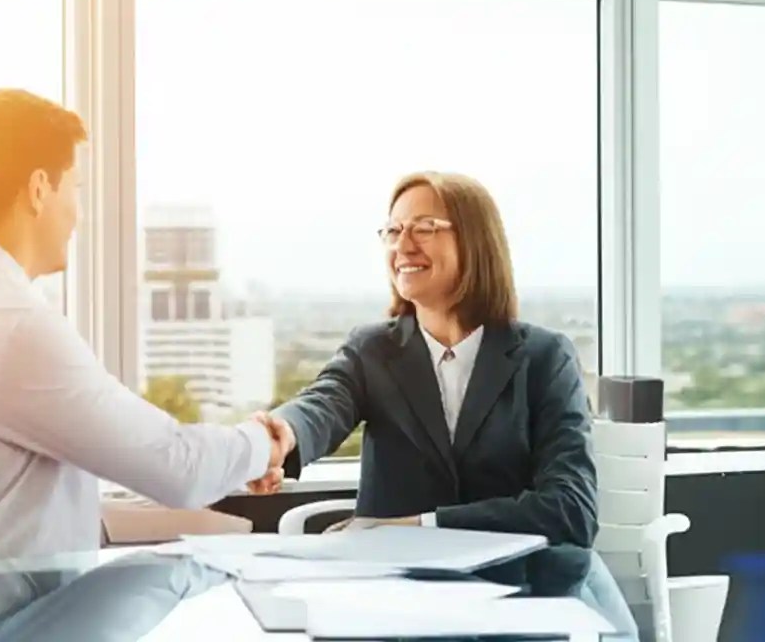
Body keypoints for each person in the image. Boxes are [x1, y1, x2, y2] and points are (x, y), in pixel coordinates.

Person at [0, 89, 284, 565]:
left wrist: (234, 467)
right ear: (38, 190)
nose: (77, 212)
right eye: (75, 188)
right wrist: (263, 442)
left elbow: (73, 487)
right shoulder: (6, 323)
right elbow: (176, 466)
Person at [254, 171, 597, 547]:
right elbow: (322, 405)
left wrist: (421, 526)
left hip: (518, 586)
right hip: (399, 590)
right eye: (394, 230)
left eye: (424, 228)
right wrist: (282, 435)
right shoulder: (372, 350)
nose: (403, 245)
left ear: (475, 241)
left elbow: (571, 509)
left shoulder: (546, 359)